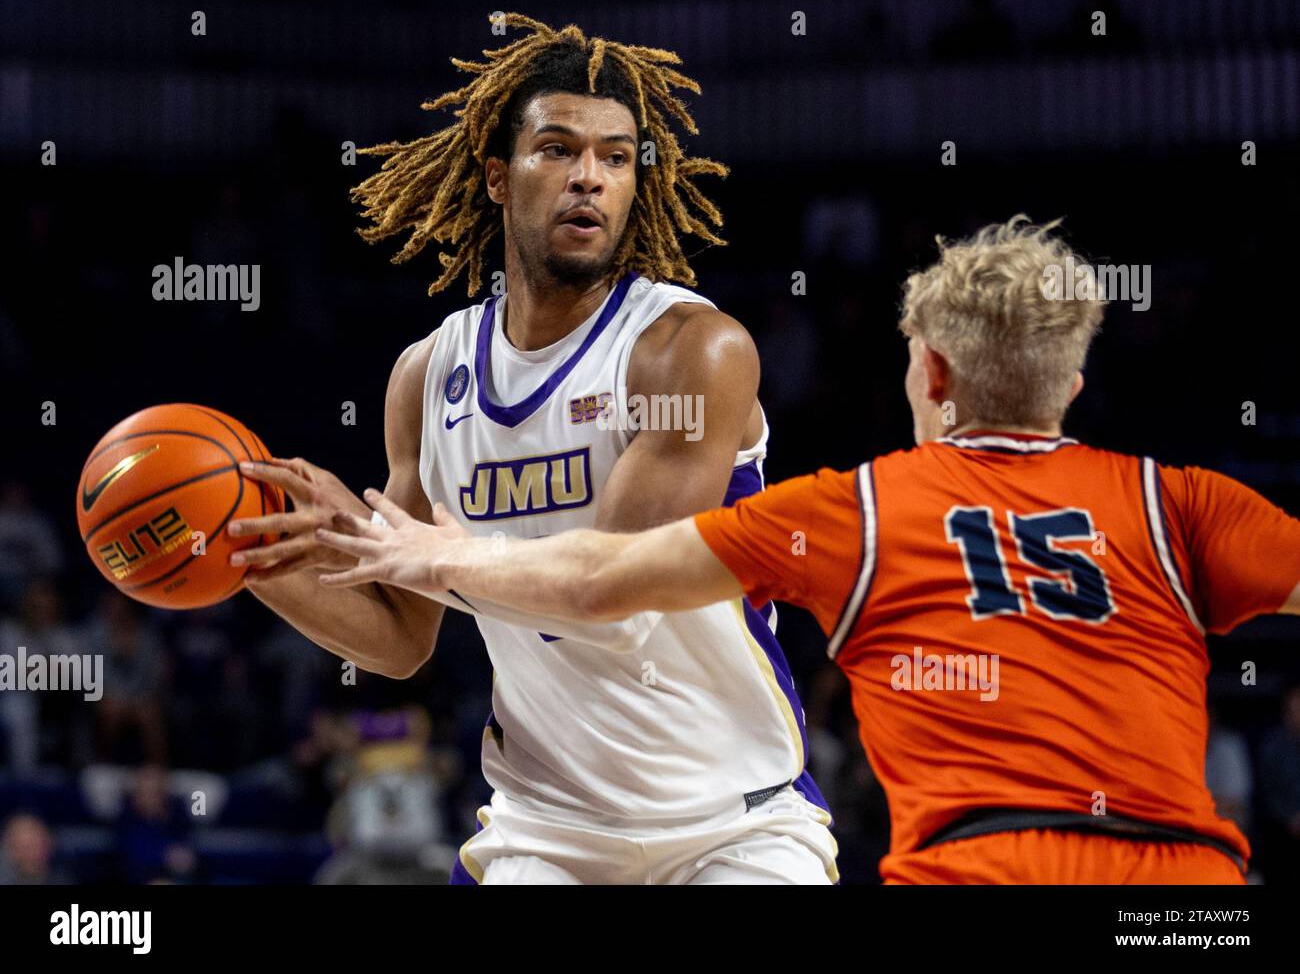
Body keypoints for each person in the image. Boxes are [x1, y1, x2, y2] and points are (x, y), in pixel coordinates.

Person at [316, 216, 1300, 884]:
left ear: (931, 372)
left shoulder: (860, 510)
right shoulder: (1180, 505)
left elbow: (594, 577)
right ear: (1072, 386)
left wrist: (419, 551)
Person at [229, 13, 837, 885]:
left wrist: (431, 554)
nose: (589, 177)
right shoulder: (426, 375)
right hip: (544, 826)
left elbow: (612, 594)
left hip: (731, 821)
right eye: (556, 149)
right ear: (496, 177)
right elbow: (400, 640)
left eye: (617, 157)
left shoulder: (691, 351)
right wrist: (243, 552)